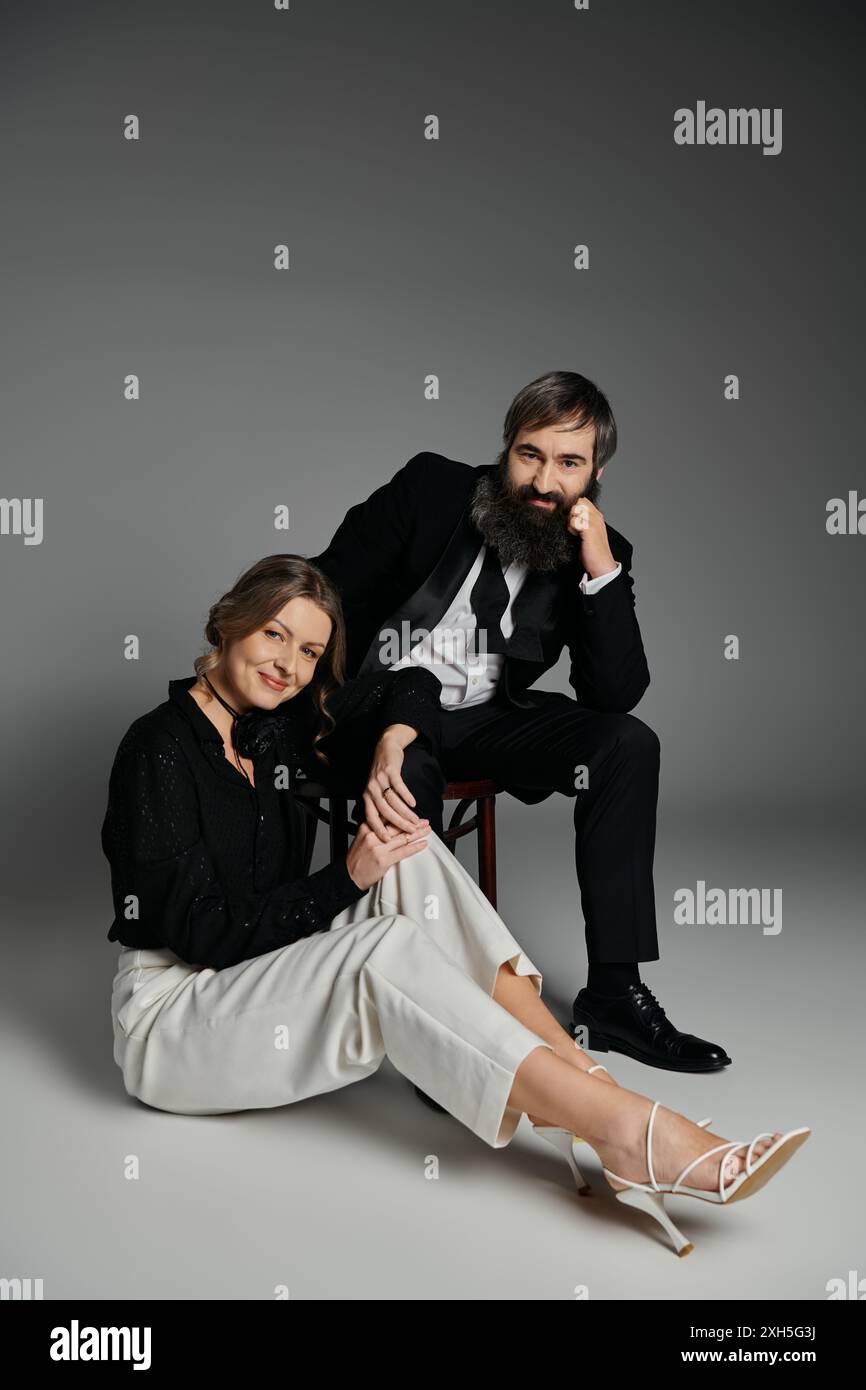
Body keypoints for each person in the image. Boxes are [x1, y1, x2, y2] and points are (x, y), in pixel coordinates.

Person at [101, 554, 809, 1256]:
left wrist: (393, 742)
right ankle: (628, 1131)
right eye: (274, 635)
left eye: (311, 649)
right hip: (173, 1019)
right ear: (230, 623)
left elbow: (409, 682)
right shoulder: (156, 748)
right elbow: (205, 934)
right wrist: (345, 878)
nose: (289, 662)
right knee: (383, 940)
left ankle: (585, 1084)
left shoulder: (280, 725)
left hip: (257, 968)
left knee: (412, 850)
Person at [308, 370, 729, 1074]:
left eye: (570, 463)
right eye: (531, 454)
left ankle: (615, 994)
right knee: (409, 765)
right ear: (507, 448)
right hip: (381, 709)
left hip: (481, 718)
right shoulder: (431, 488)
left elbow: (613, 693)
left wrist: (600, 568)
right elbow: (325, 584)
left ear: (596, 473)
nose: (544, 479)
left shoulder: (595, 549)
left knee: (627, 744)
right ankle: (433, 1008)